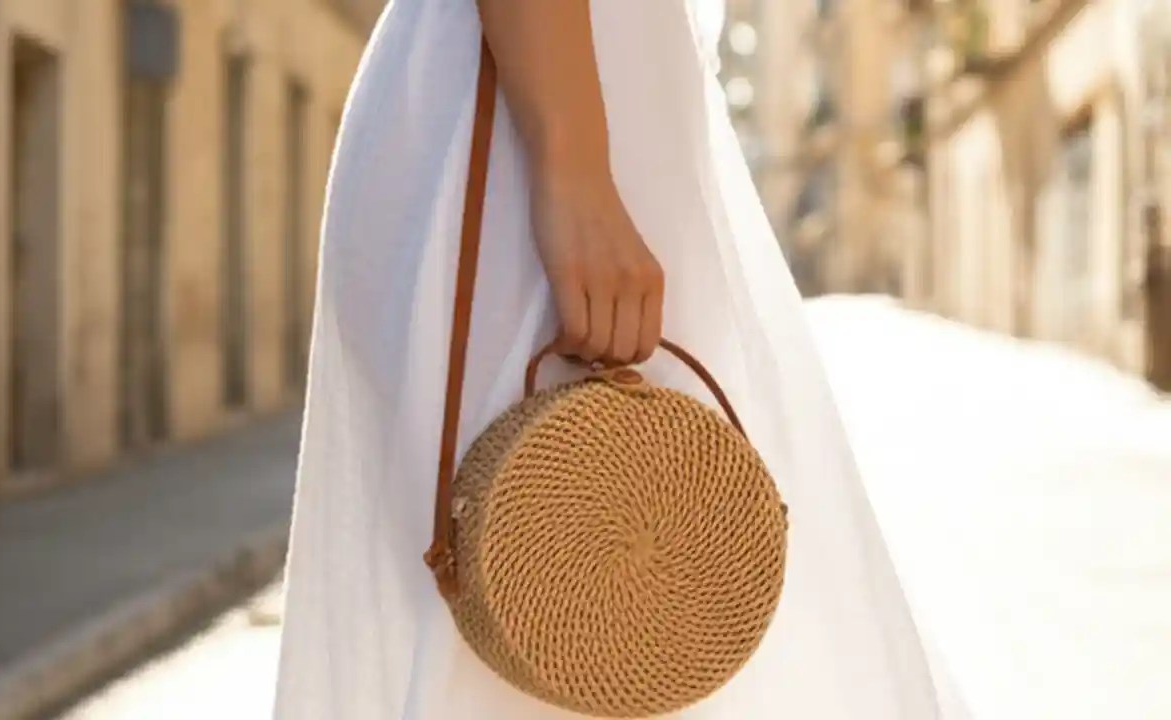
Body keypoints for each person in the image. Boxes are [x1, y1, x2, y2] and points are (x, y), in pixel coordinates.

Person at [274, 1, 952, 717]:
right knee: (524, 618)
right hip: (535, 118)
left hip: (571, 105)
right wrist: (574, 172)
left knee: (591, 630)